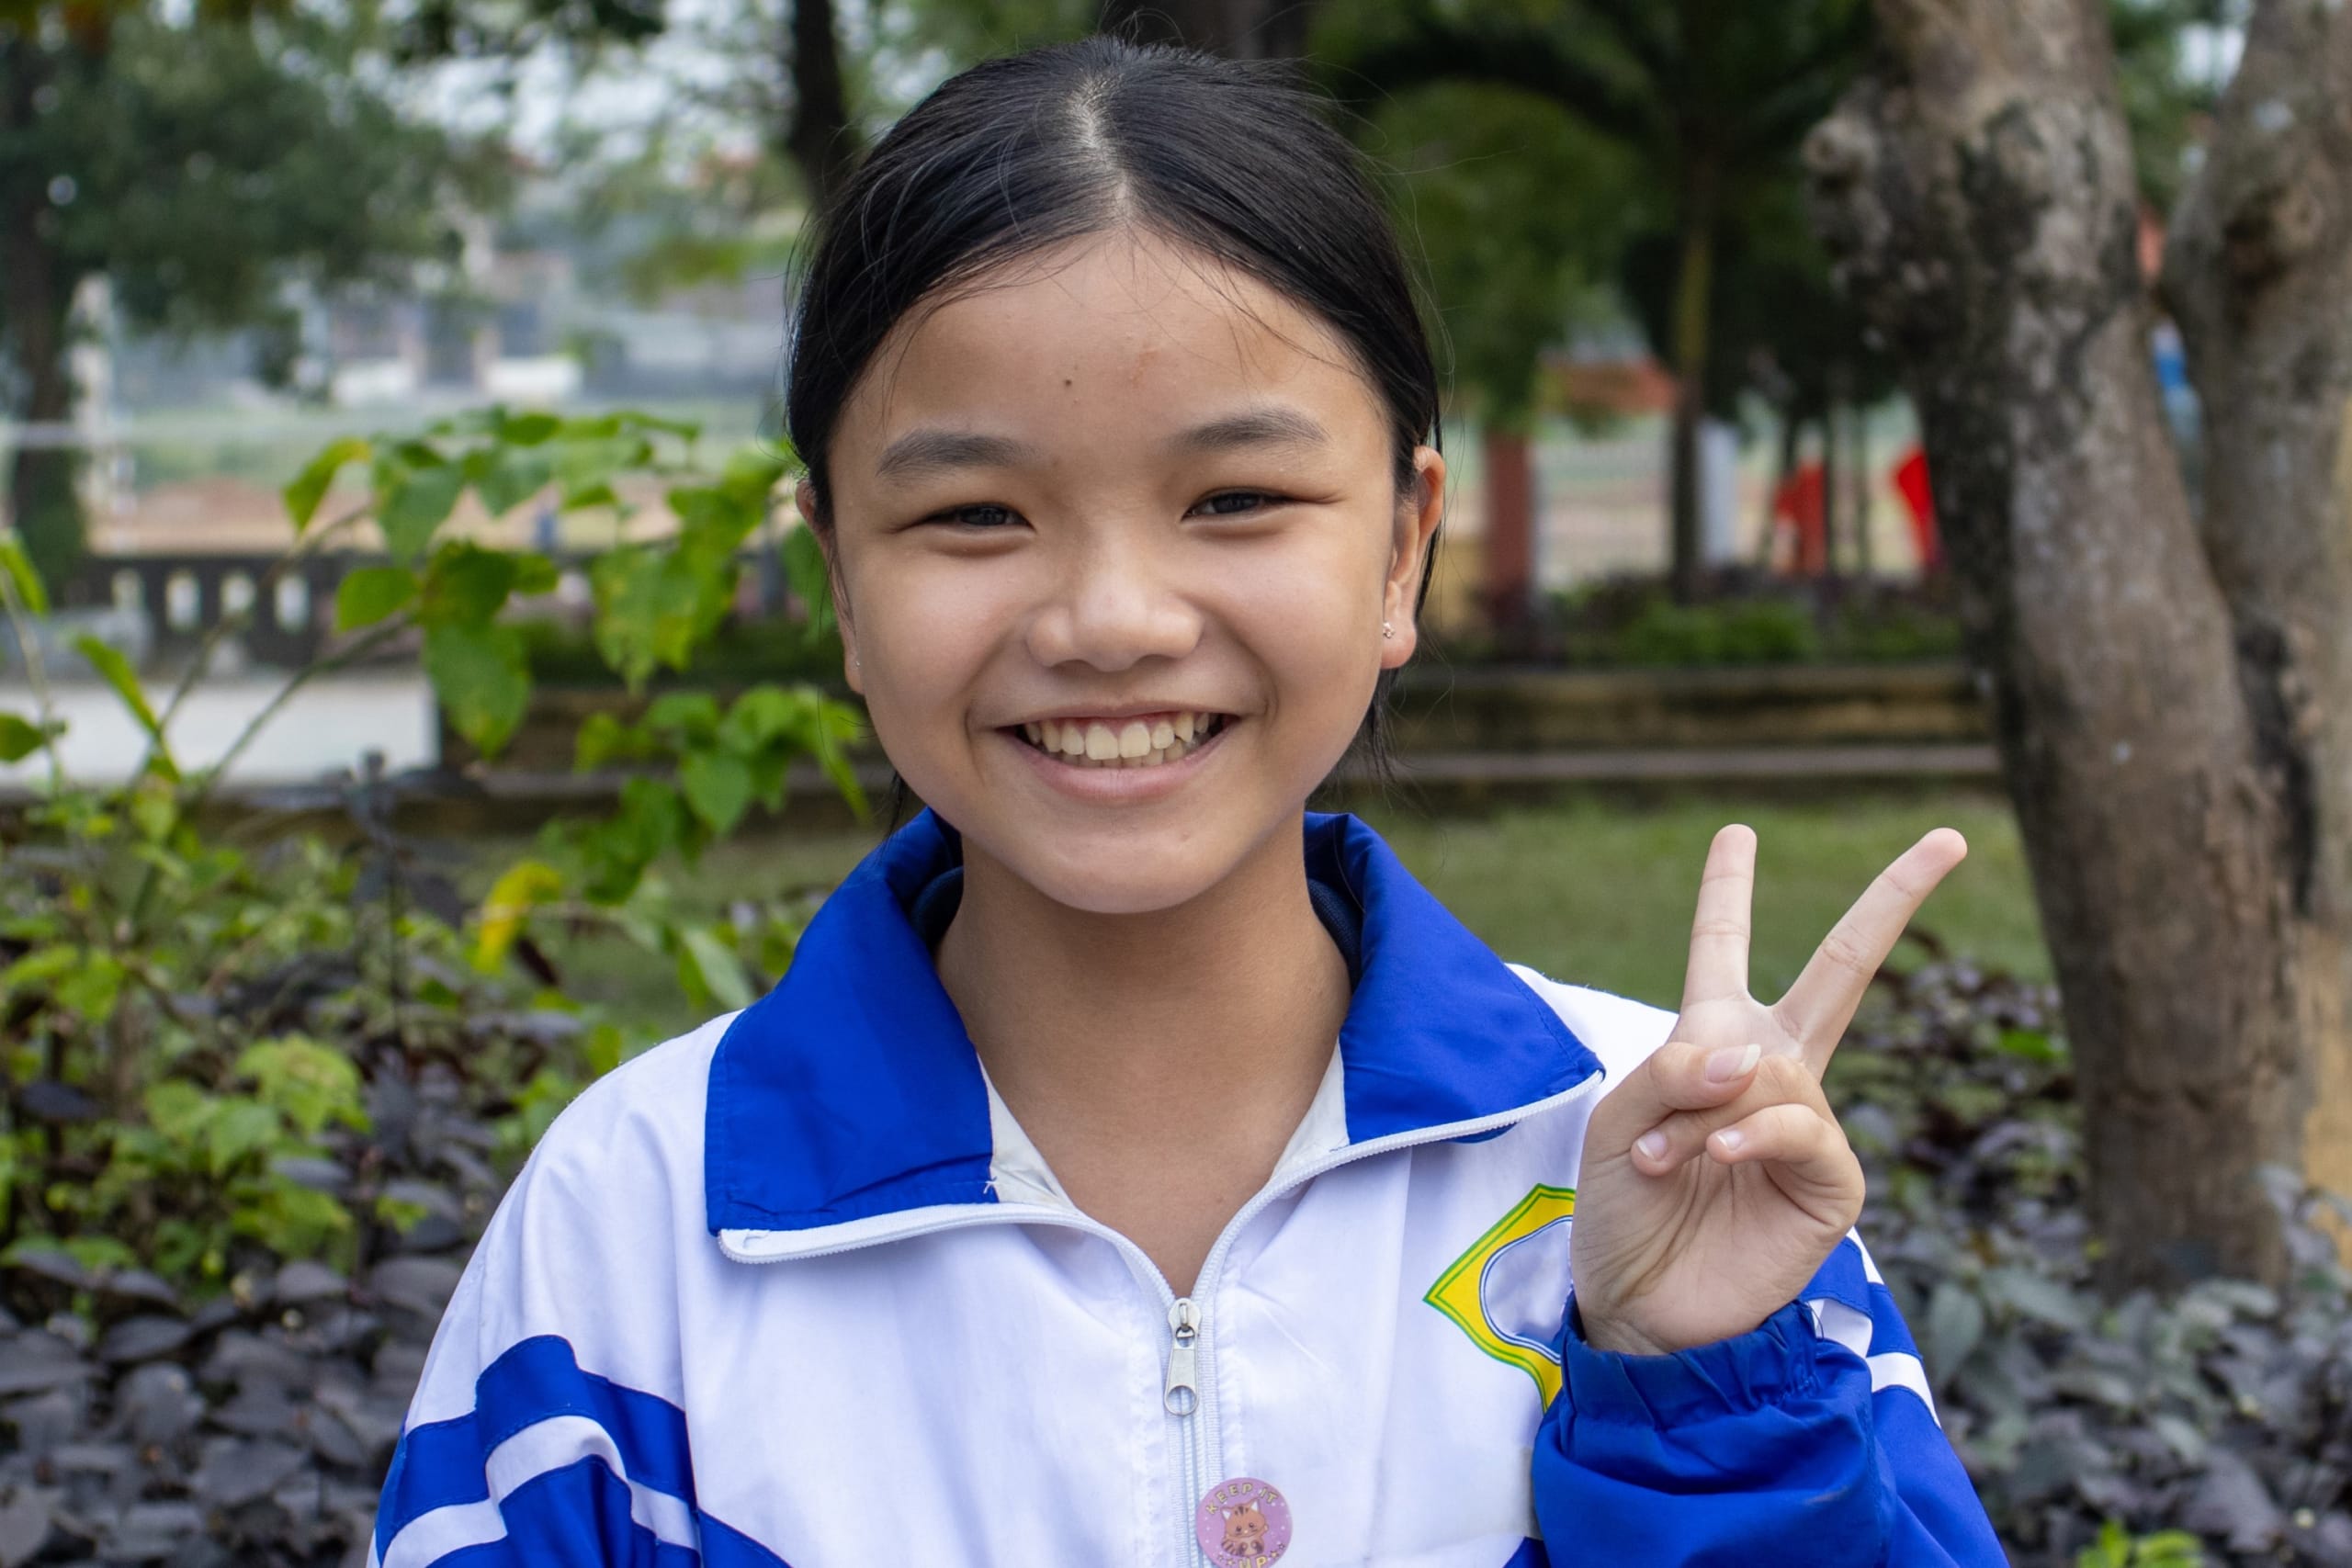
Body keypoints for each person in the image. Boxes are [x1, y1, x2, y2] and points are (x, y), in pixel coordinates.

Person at [368, 38, 2007, 1568]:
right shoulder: (633, 1233)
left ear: (1402, 545)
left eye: (1235, 498)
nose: (1111, 620)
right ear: (839, 585)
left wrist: (1700, 1404)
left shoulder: (1665, 1157)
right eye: (974, 513)